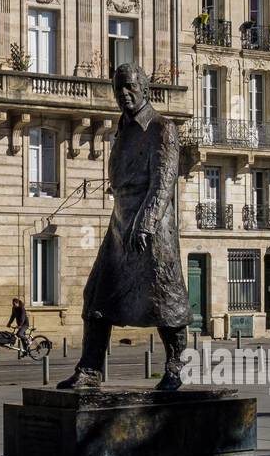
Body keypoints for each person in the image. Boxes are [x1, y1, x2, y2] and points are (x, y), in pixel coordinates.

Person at [57, 64, 190, 391]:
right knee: (97, 297)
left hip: (153, 225)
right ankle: (90, 369)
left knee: (164, 298)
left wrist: (146, 223)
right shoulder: (123, 130)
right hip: (120, 221)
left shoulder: (162, 128)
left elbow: (164, 182)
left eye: (130, 87)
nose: (124, 95)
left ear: (145, 88)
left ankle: (175, 367)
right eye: (118, 90)